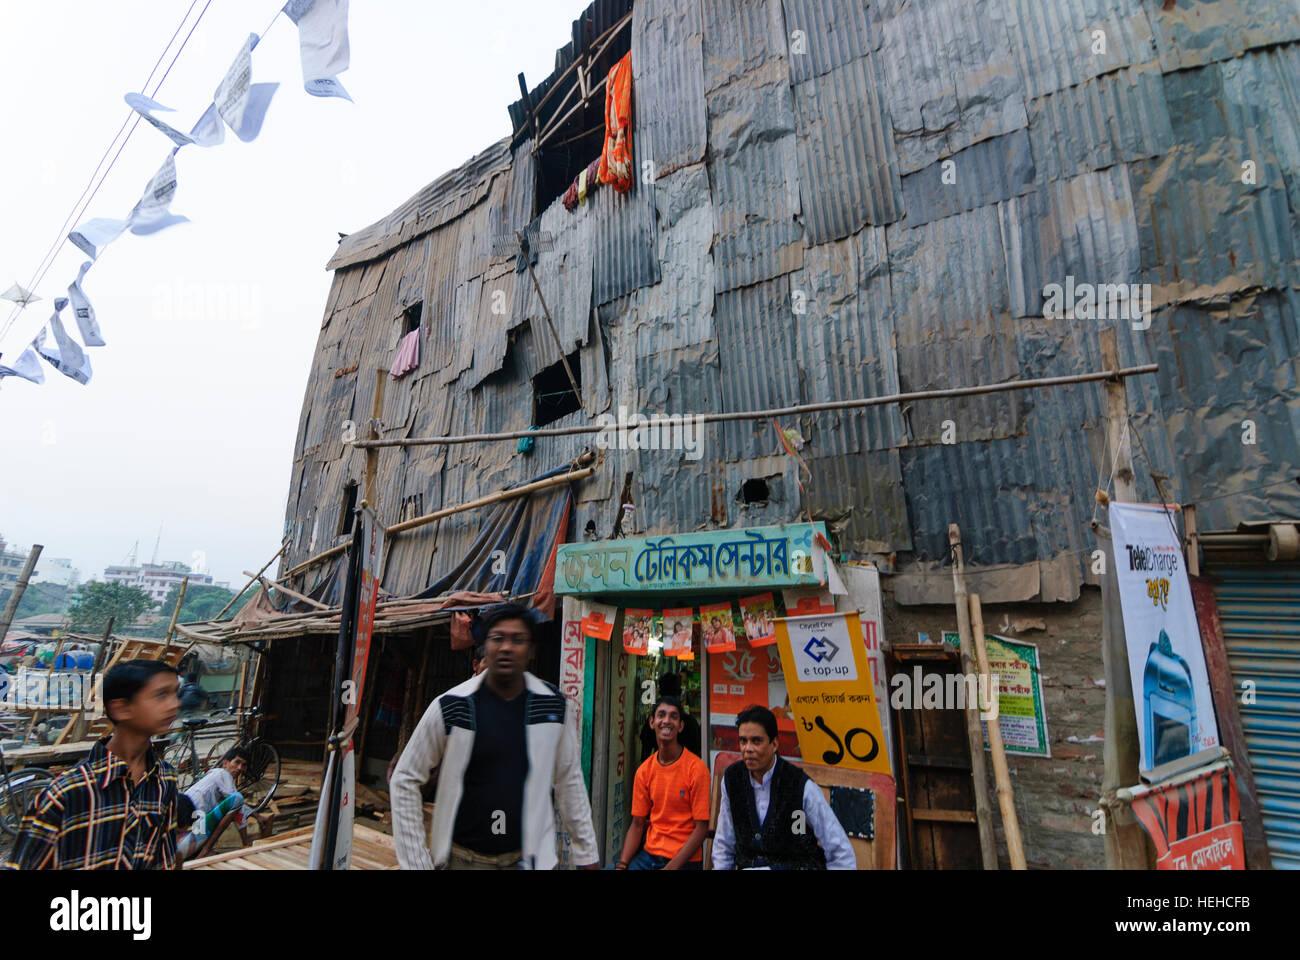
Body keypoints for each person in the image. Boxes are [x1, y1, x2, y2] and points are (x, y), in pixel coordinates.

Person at [390, 603, 598, 870]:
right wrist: (417, 864)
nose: (507, 647)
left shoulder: (553, 707)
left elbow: (569, 780)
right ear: (485, 647)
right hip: (462, 861)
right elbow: (405, 779)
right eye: (498, 638)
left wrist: (587, 854)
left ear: (531, 650)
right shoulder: (452, 706)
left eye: (518, 639)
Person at [4, 659, 180, 870]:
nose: (175, 704)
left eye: (175, 693)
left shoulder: (165, 779)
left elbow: (163, 858)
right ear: (121, 709)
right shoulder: (66, 793)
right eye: (161, 695)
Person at [712, 705, 856, 870]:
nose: (748, 749)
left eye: (756, 741)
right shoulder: (732, 779)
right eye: (743, 741)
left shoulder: (800, 786)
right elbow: (724, 842)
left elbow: (840, 851)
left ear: (774, 744)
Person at [617, 695, 709, 870]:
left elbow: (701, 829)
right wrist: (622, 865)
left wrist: (670, 868)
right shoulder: (644, 771)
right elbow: (637, 825)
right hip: (648, 857)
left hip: (684, 861)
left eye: (673, 716)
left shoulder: (696, 769)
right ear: (652, 722)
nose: (667, 721)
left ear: (680, 726)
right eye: (661, 715)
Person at [175, 747, 273, 862]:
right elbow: (237, 801)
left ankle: (204, 850)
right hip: (188, 812)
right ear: (225, 763)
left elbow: (235, 808)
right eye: (237, 762)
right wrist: (246, 840)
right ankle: (206, 850)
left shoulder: (217, 779)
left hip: (191, 816)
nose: (240, 768)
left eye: (244, 765)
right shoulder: (222, 774)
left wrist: (254, 815)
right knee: (237, 798)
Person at [639, 672, 701, 762]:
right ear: (679, 694)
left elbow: (644, 756)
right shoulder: (690, 723)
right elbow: (697, 756)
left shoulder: (654, 722)